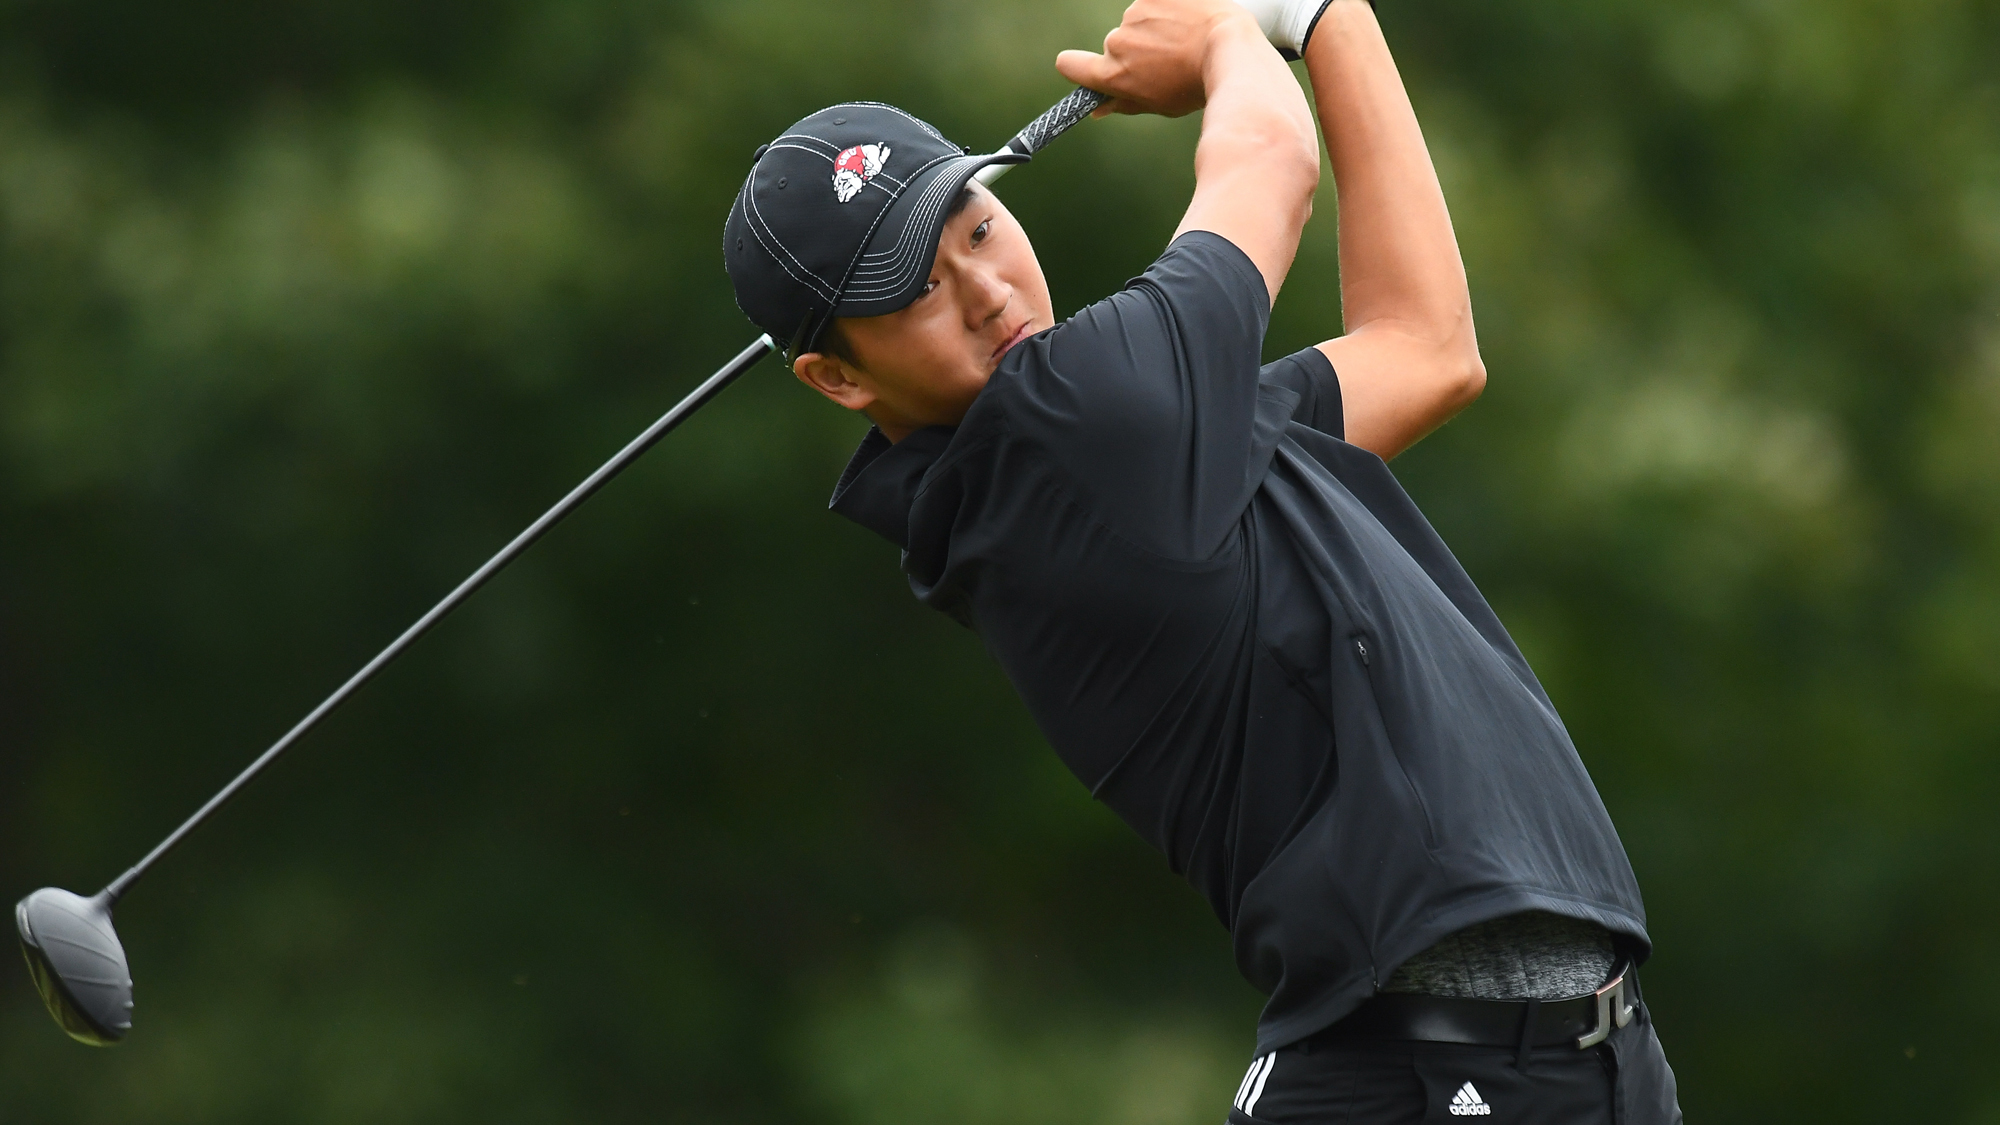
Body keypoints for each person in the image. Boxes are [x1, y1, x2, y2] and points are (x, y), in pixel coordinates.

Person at [722, 0, 1683, 1119]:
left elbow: (1426, 348)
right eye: (917, 289)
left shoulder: (1122, 451)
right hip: (1424, 1074)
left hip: (1571, 1065)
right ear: (839, 377)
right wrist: (1238, 35)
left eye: (977, 228)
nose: (986, 293)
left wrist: (1331, 21)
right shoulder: (1071, 427)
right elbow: (1269, 161)